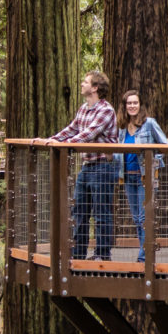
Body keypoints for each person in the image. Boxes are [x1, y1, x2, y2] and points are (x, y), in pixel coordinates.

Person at [50, 70, 119, 260]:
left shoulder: (105, 110)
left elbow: (89, 134)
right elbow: (72, 129)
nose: (81, 84)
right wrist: (52, 140)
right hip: (87, 166)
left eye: (85, 82)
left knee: (101, 212)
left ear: (95, 88)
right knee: (79, 210)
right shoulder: (83, 109)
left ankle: (102, 255)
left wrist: (65, 144)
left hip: (104, 166)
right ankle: (78, 253)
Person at [117, 90, 168, 262]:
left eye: (135, 103)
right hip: (127, 176)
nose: (132, 106)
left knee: (143, 217)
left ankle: (144, 258)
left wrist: (153, 163)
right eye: (129, 103)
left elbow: (164, 146)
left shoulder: (149, 124)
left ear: (140, 105)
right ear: (124, 106)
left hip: (144, 177)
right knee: (136, 218)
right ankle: (145, 253)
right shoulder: (122, 127)